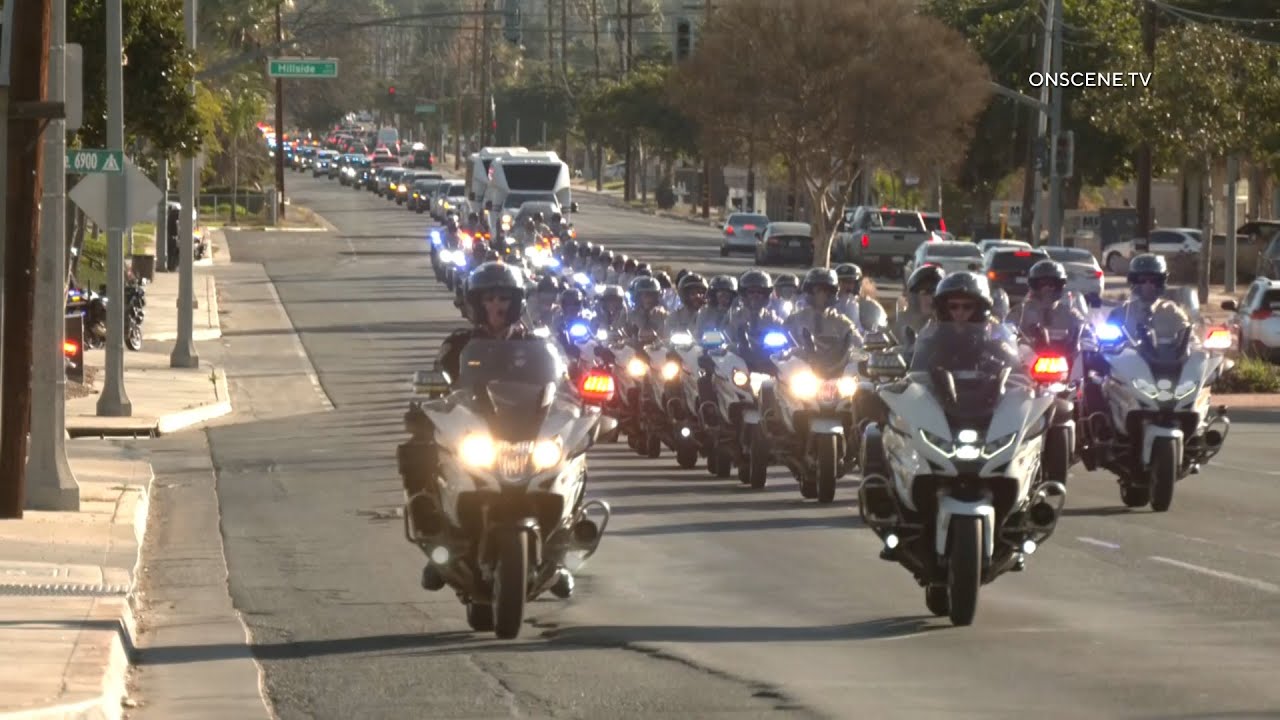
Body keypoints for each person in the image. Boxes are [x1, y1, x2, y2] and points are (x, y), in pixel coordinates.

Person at [1012, 260, 1089, 348]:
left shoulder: (1070, 313)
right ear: (1033, 284)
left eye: (1052, 284)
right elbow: (1005, 333)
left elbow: (1086, 332)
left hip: (1066, 357)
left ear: (1061, 284)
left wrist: (1081, 336)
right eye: (1041, 284)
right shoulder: (1020, 311)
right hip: (1028, 358)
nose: (1047, 288)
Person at [784, 268, 861, 351]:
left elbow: (858, 343)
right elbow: (782, 339)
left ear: (833, 293)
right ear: (809, 291)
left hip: (833, 363)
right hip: (801, 362)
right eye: (817, 290)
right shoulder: (794, 319)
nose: (821, 294)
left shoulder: (841, 322)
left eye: (826, 290)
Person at [1107, 253, 1179, 339]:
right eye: (1142, 280)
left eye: (1154, 280)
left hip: (1164, 352)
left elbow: (1189, 340)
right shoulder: (1120, 313)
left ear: (1161, 281)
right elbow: (1107, 344)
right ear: (1134, 281)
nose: (1147, 285)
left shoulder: (1172, 311)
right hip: (1130, 352)